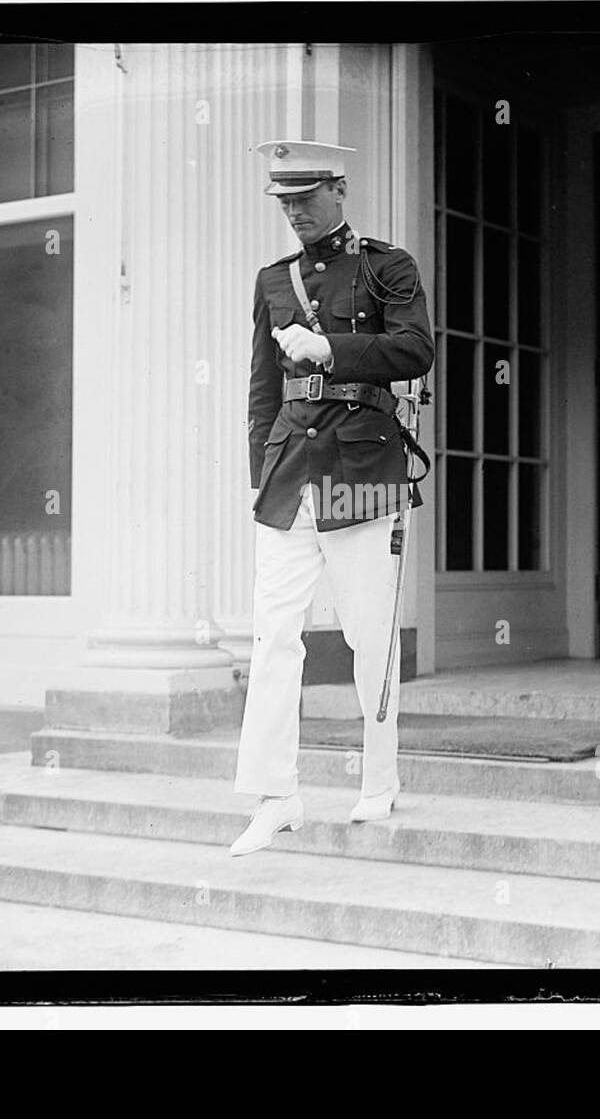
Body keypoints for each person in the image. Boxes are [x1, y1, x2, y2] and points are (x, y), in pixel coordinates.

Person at [229, 139, 434, 857]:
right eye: (284, 202)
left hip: (361, 469)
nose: (294, 213)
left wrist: (334, 354)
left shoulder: (387, 266)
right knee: (273, 636)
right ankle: (275, 796)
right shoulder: (272, 279)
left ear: (339, 189)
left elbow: (415, 350)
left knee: (367, 636)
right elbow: (262, 385)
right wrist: (261, 468)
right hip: (289, 474)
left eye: (306, 198)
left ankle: (378, 780)